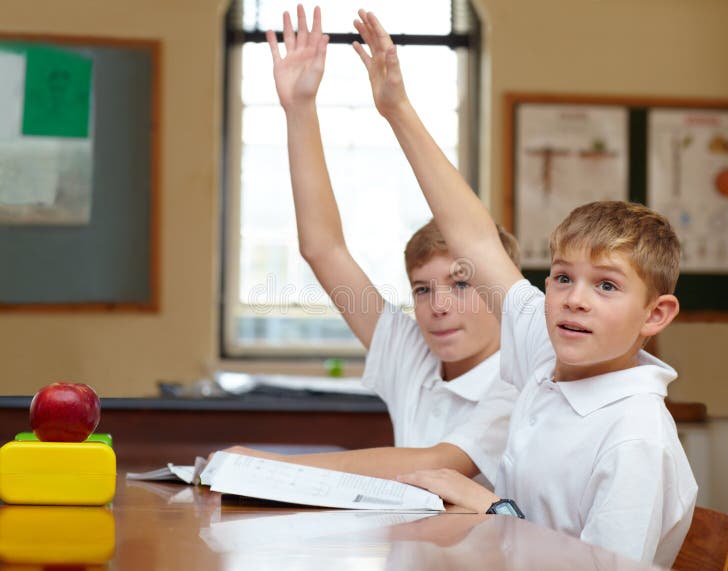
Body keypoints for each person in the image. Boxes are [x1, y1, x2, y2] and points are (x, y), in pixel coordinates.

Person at [351, 10, 697, 567]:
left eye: (607, 286)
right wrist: (397, 109)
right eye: (562, 278)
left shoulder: (634, 437)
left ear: (655, 315)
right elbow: (475, 243)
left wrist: (493, 511)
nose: (575, 298)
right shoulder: (547, 348)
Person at [229, 5, 532, 486]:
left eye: (460, 284)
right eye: (422, 290)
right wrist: (299, 108)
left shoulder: (521, 380)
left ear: (499, 291)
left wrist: (273, 467)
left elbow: (436, 463)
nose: (438, 306)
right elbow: (323, 250)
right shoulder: (413, 355)